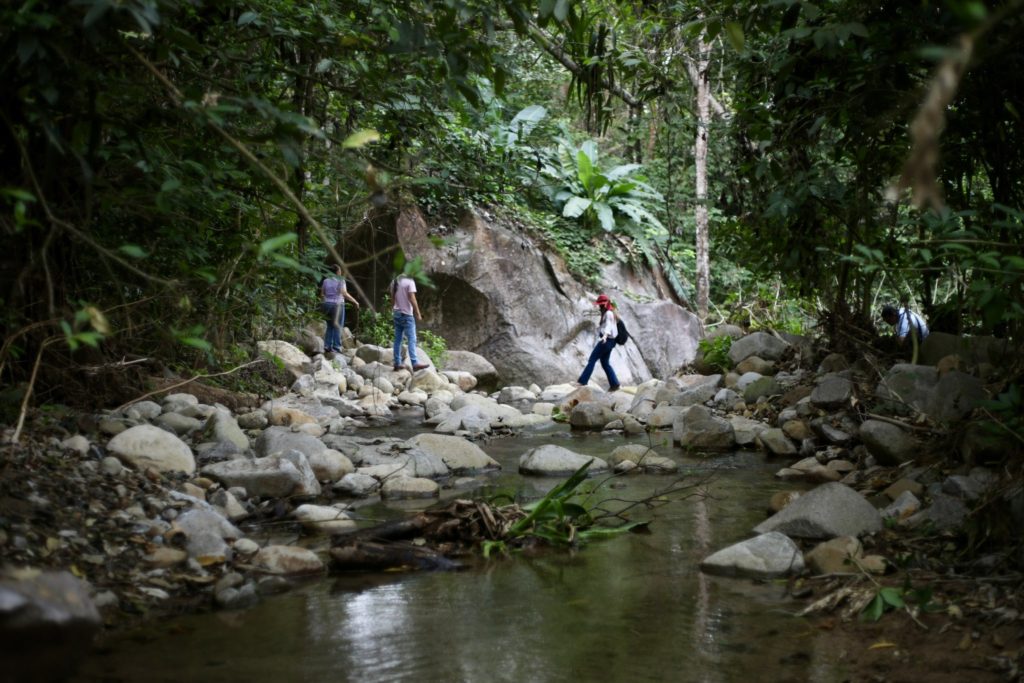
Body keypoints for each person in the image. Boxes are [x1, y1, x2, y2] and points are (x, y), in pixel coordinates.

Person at [577, 293, 620, 391]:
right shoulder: (609, 312)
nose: (599, 307)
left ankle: (582, 381)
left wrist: (604, 336)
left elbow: (609, 326)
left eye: (600, 305)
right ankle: (615, 384)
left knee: (592, 359)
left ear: (604, 304)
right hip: (611, 342)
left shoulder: (608, 313)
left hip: (606, 340)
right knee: (605, 362)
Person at [392, 272, 428, 371]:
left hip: (396, 313)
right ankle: (414, 362)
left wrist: (393, 310)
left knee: (397, 340)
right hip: (407, 315)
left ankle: (397, 363)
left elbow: (393, 298)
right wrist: (418, 313)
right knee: (412, 339)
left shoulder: (395, 281)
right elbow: (412, 298)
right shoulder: (410, 281)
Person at [321, 264, 360, 354]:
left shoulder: (326, 281)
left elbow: (322, 294)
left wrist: (326, 302)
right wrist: (355, 302)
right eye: (340, 270)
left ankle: (327, 346)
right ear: (338, 271)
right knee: (338, 326)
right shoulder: (341, 280)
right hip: (337, 305)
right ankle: (336, 347)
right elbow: (344, 293)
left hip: (326, 304)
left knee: (330, 325)